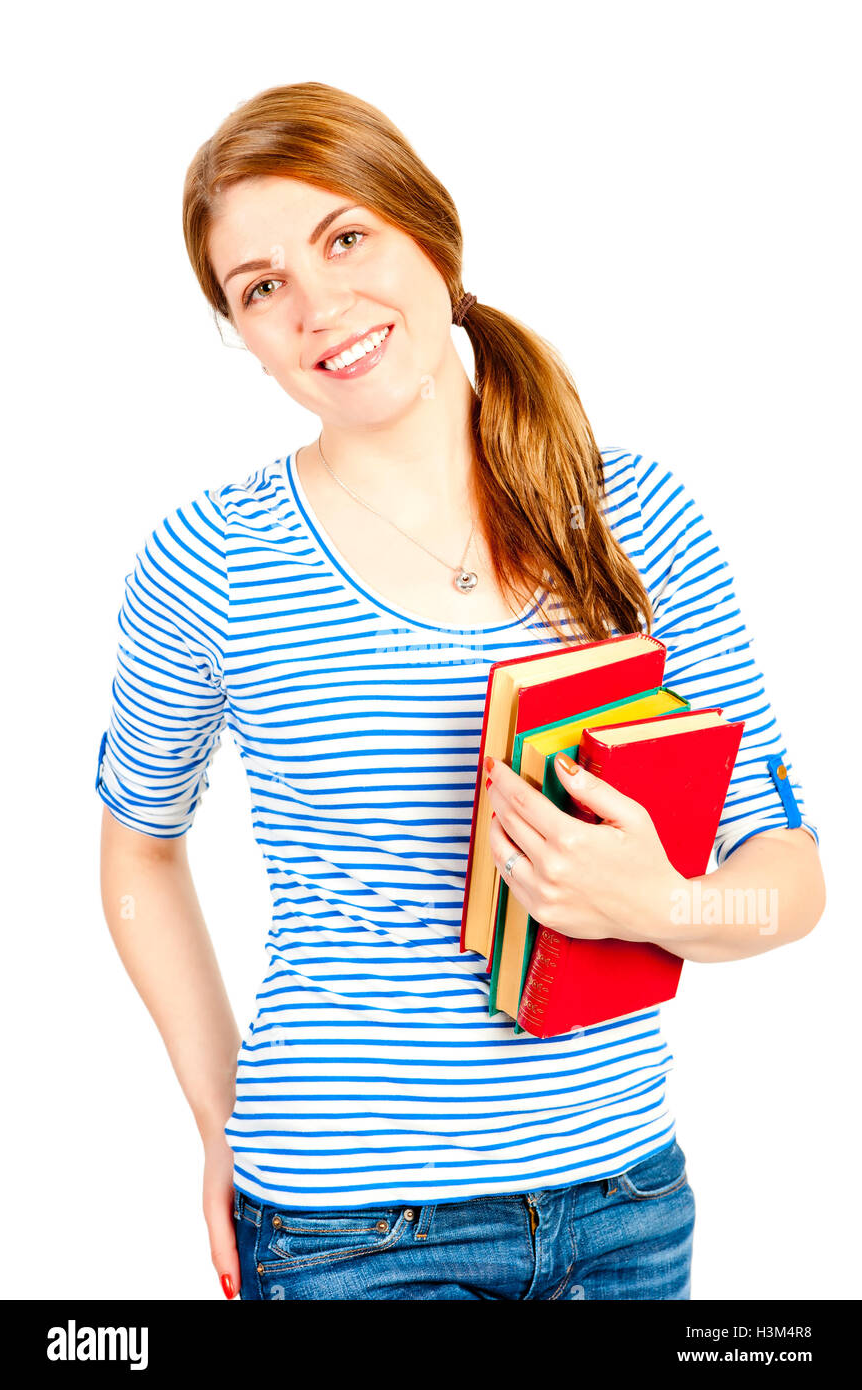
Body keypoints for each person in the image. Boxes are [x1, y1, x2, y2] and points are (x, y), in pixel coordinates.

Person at [95, 81, 826, 1301]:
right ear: (245, 330)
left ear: (429, 231)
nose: (318, 306)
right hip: (348, 1227)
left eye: (345, 237)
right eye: (260, 286)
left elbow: (788, 885)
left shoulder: (632, 511)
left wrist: (665, 903)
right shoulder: (211, 559)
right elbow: (138, 851)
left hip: (628, 1205)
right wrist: (223, 1117)